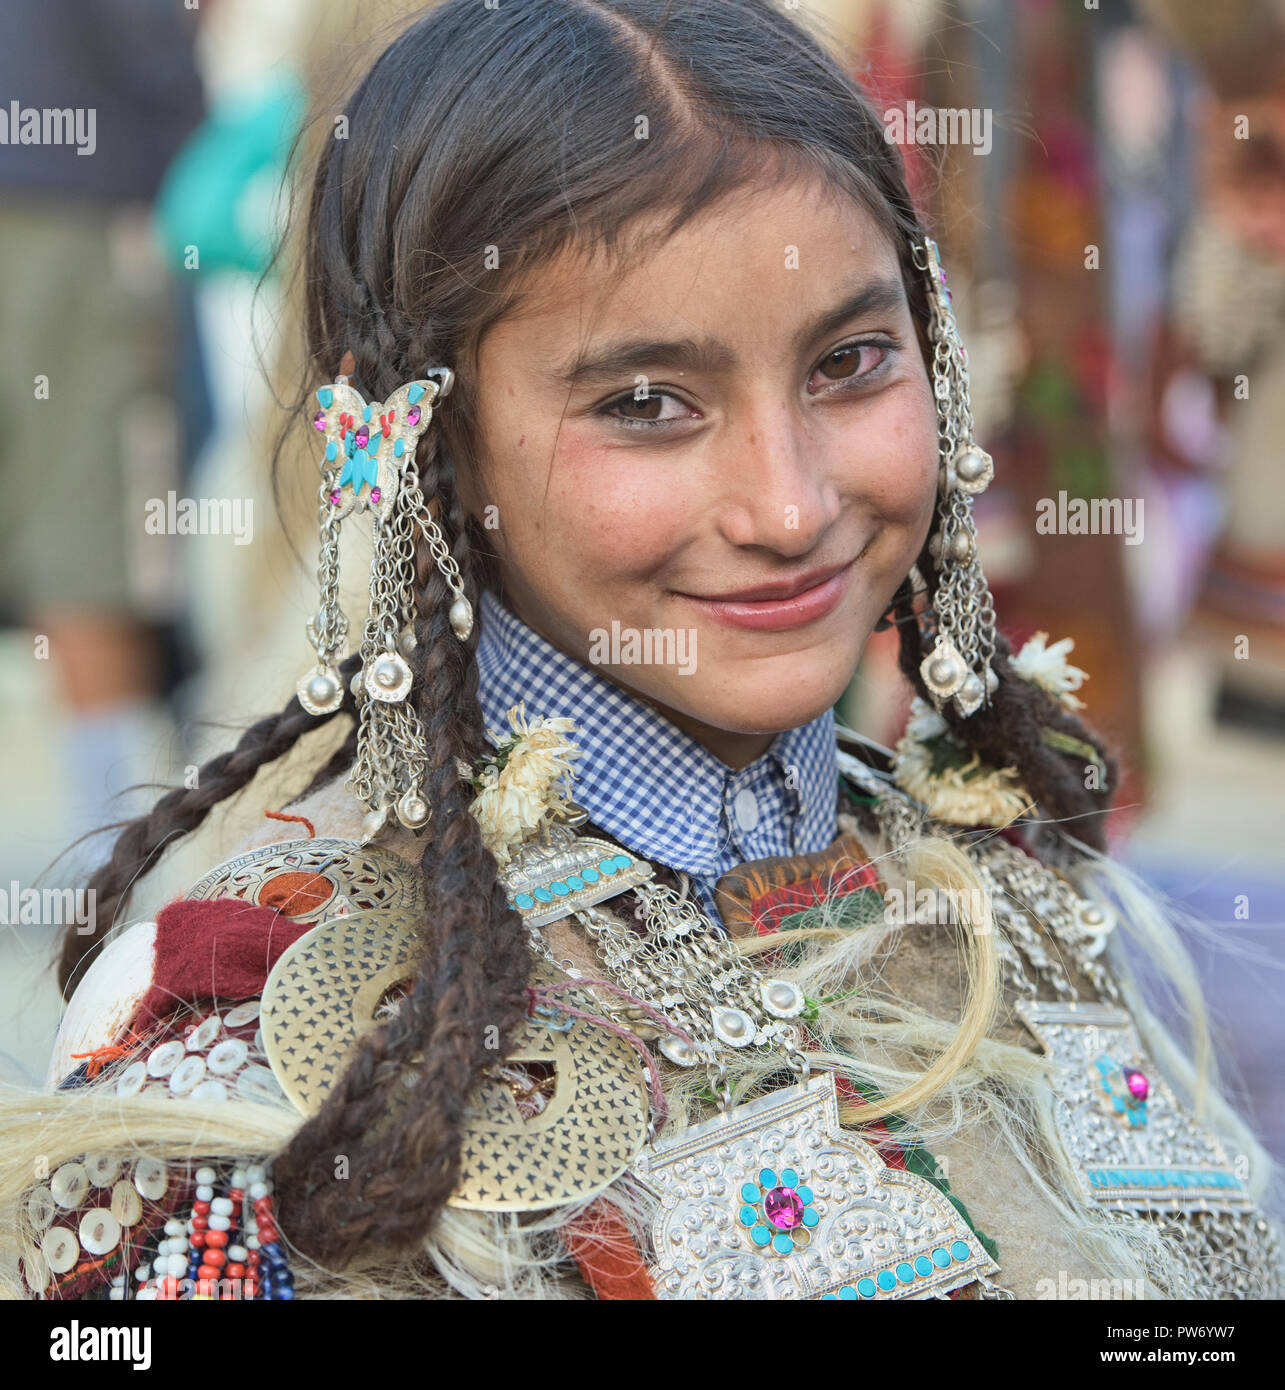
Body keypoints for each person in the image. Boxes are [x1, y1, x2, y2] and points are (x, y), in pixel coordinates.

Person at [4, 0, 1278, 1302]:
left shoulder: (997, 888)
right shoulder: (256, 1035)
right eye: (646, 404)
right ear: (417, 440)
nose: (786, 506)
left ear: (936, 353)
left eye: (848, 363)